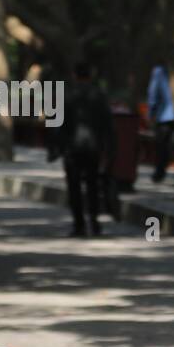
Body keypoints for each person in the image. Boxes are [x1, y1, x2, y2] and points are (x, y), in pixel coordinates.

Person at [54, 61, 114, 238]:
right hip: (94, 147)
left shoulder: (67, 95)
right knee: (93, 185)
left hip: (73, 148)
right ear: (91, 75)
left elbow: (57, 124)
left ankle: (78, 224)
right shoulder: (99, 95)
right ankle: (94, 222)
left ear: (74, 74)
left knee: (74, 187)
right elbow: (108, 124)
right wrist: (110, 148)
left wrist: (58, 147)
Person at [147, 64, 174, 184]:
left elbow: (153, 93)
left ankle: (160, 172)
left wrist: (151, 113)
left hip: (164, 115)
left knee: (162, 146)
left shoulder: (159, 71)